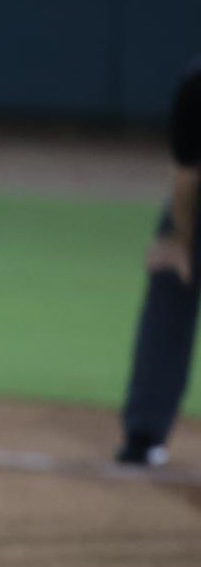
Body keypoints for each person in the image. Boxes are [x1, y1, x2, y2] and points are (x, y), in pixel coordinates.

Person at [117, 55, 201, 468]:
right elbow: (188, 171)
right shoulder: (196, 84)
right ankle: (145, 432)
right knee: (170, 282)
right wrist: (180, 240)